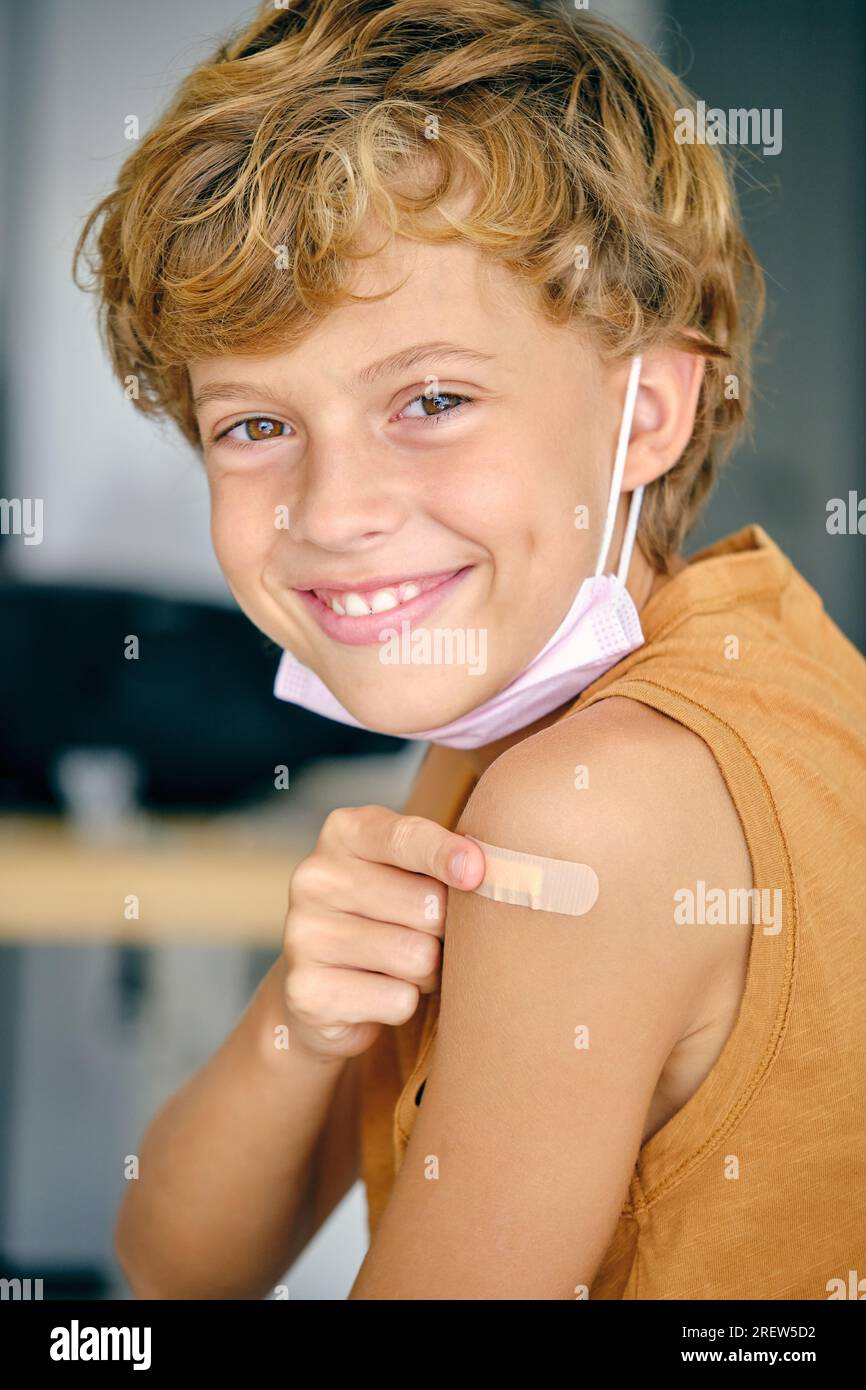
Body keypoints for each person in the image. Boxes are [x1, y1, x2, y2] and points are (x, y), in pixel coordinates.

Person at [73, 0, 866, 1299]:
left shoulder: (594, 801)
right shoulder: (641, 677)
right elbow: (172, 1261)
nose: (331, 510)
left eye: (430, 399)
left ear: (647, 408)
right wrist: (302, 1019)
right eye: (254, 425)